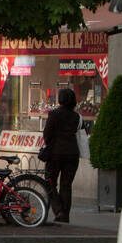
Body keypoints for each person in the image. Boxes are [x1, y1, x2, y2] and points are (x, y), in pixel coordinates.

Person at [44, 87, 82, 223]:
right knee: (66, 184)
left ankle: (58, 209)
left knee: (49, 181)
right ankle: (65, 214)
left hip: (55, 153)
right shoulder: (76, 116)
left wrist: (50, 143)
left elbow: (47, 134)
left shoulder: (54, 114)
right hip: (72, 153)